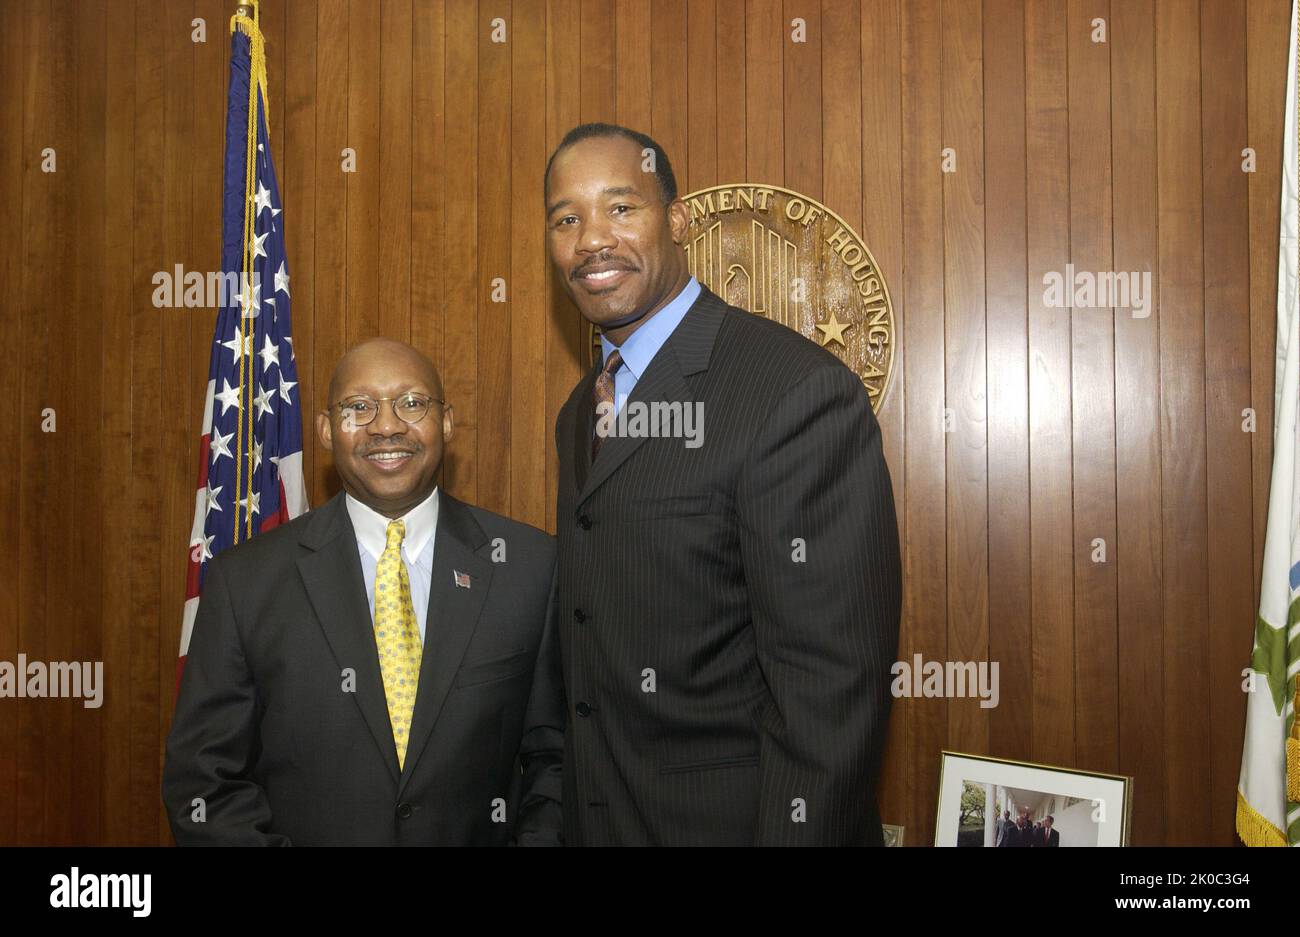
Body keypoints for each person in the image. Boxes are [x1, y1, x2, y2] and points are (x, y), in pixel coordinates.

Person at [545, 123, 902, 845]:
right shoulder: (582, 410)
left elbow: (829, 695)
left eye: (621, 207)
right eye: (566, 219)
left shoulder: (794, 391)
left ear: (677, 221)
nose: (591, 240)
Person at [163, 339, 563, 845]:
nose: (387, 426)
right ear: (328, 431)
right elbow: (205, 782)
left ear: (447, 422)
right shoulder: (244, 583)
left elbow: (557, 758)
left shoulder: (527, 567)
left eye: (412, 403)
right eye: (359, 408)